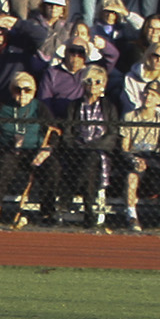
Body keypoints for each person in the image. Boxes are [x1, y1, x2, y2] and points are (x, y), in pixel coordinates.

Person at [0, 71, 57, 227]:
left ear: (33, 91)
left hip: (34, 151)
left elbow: (54, 131)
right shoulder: (2, 106)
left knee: (52, 168)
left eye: (27, 90)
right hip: (9, 150)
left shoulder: (39, 107)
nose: (22, 94)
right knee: (3, 166)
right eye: (18, 89)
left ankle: (47, 212)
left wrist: (47, 149)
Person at [59, 64, 122, 228]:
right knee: (88, 162)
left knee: (92, 159)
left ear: (104, 85)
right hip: (77, 152)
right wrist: (79, 146)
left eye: (97, 82)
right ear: (83, 83)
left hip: (100, 152)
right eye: (89, 81)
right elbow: (67, 133)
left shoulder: (109, 107)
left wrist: (92, 146)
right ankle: (89, 211)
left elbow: (112, 135)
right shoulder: (74, 106)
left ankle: (70, 195)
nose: (93, 85)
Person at [118, 82, 160, 231]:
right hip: (134, 156)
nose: (148, 97)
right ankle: (132, 217)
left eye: (153, 95)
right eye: (146, 93)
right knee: (132, 177)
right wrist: (133, 159)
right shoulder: (129, 117)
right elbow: (124, 147)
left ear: (159, 100)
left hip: (155, 158)